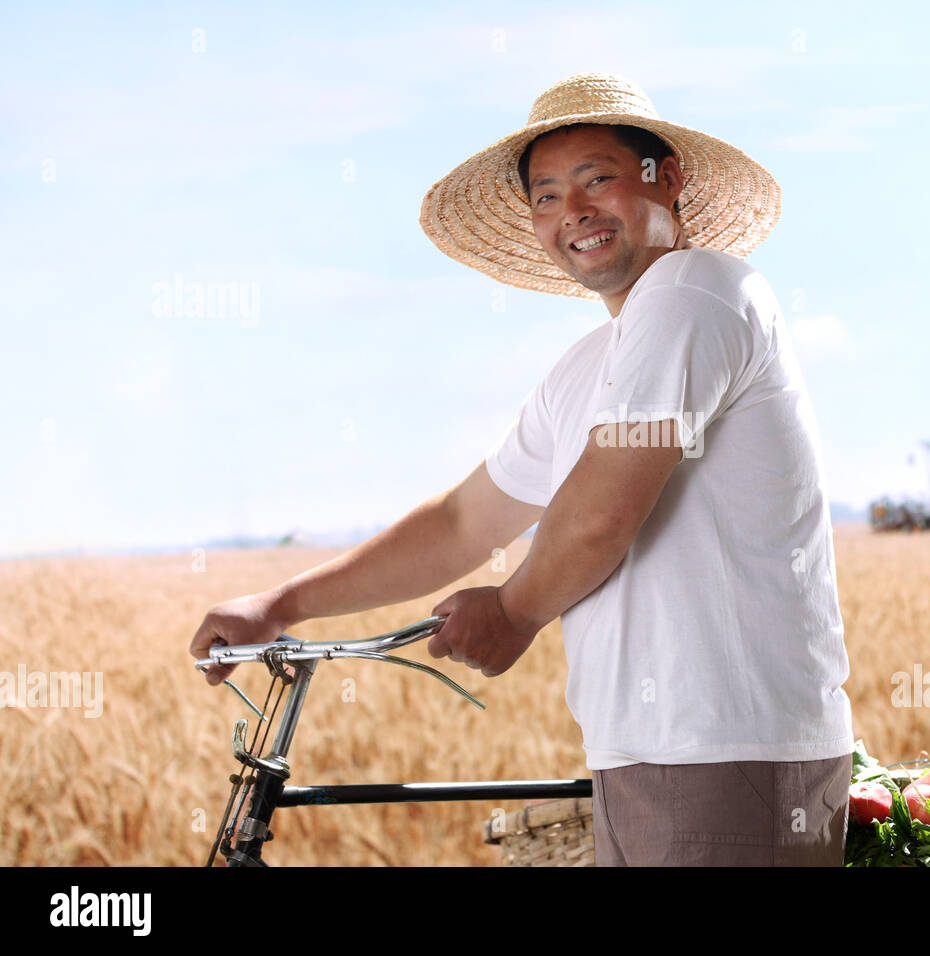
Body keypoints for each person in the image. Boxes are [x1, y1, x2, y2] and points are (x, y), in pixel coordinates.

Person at [190, 71, 854, 866]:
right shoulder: (590, 364)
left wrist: (514, 608)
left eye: (596, 179)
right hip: (654, 755)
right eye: (545, 197)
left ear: (667, 178)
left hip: (724, 752)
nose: (572, 212)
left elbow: (608, 501)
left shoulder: (697, 287)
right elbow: (464, 521)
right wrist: (282, 601)